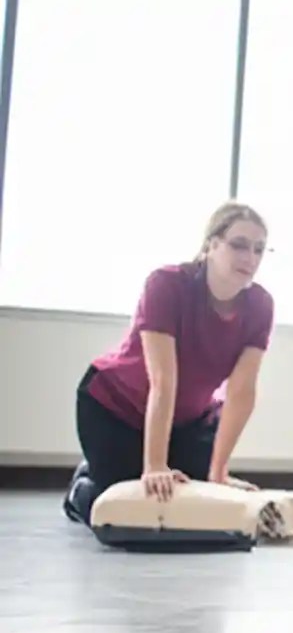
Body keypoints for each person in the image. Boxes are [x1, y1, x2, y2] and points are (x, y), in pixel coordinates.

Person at [63, 202, 273, 524]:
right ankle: (82, 489)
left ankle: (146, 467)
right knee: (132, 508)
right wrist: (155, 467)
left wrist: (218, 473)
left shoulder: (260, 305)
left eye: (259, 249)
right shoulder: (166, 284)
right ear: (211, 245)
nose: (250, 258)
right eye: (239, 245)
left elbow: (242, 391)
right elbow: (163, 379)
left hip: (188, 421)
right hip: (116, 408)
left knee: (191, 504)